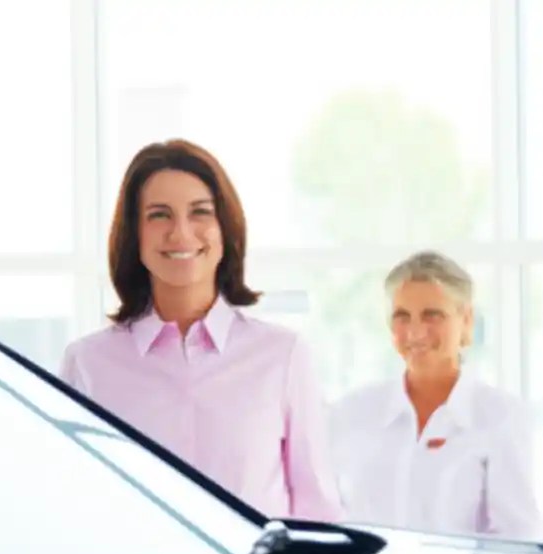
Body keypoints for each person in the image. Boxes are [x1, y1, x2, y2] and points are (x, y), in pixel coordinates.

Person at [60, 139, 341, 521]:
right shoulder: (87, 365)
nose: (181, 233)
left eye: (200, 213)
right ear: (134, 235)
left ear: (225, 228)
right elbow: (75, 504)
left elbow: (317, 510)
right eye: (159, 215)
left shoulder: (283, 356)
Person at [330, 251, 543, 539]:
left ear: (466, 321)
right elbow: (327, 517)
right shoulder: (352, 413)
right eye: (402, 316)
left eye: (433, 315)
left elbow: (519, 538)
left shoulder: (500, 417)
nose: (416, 331)